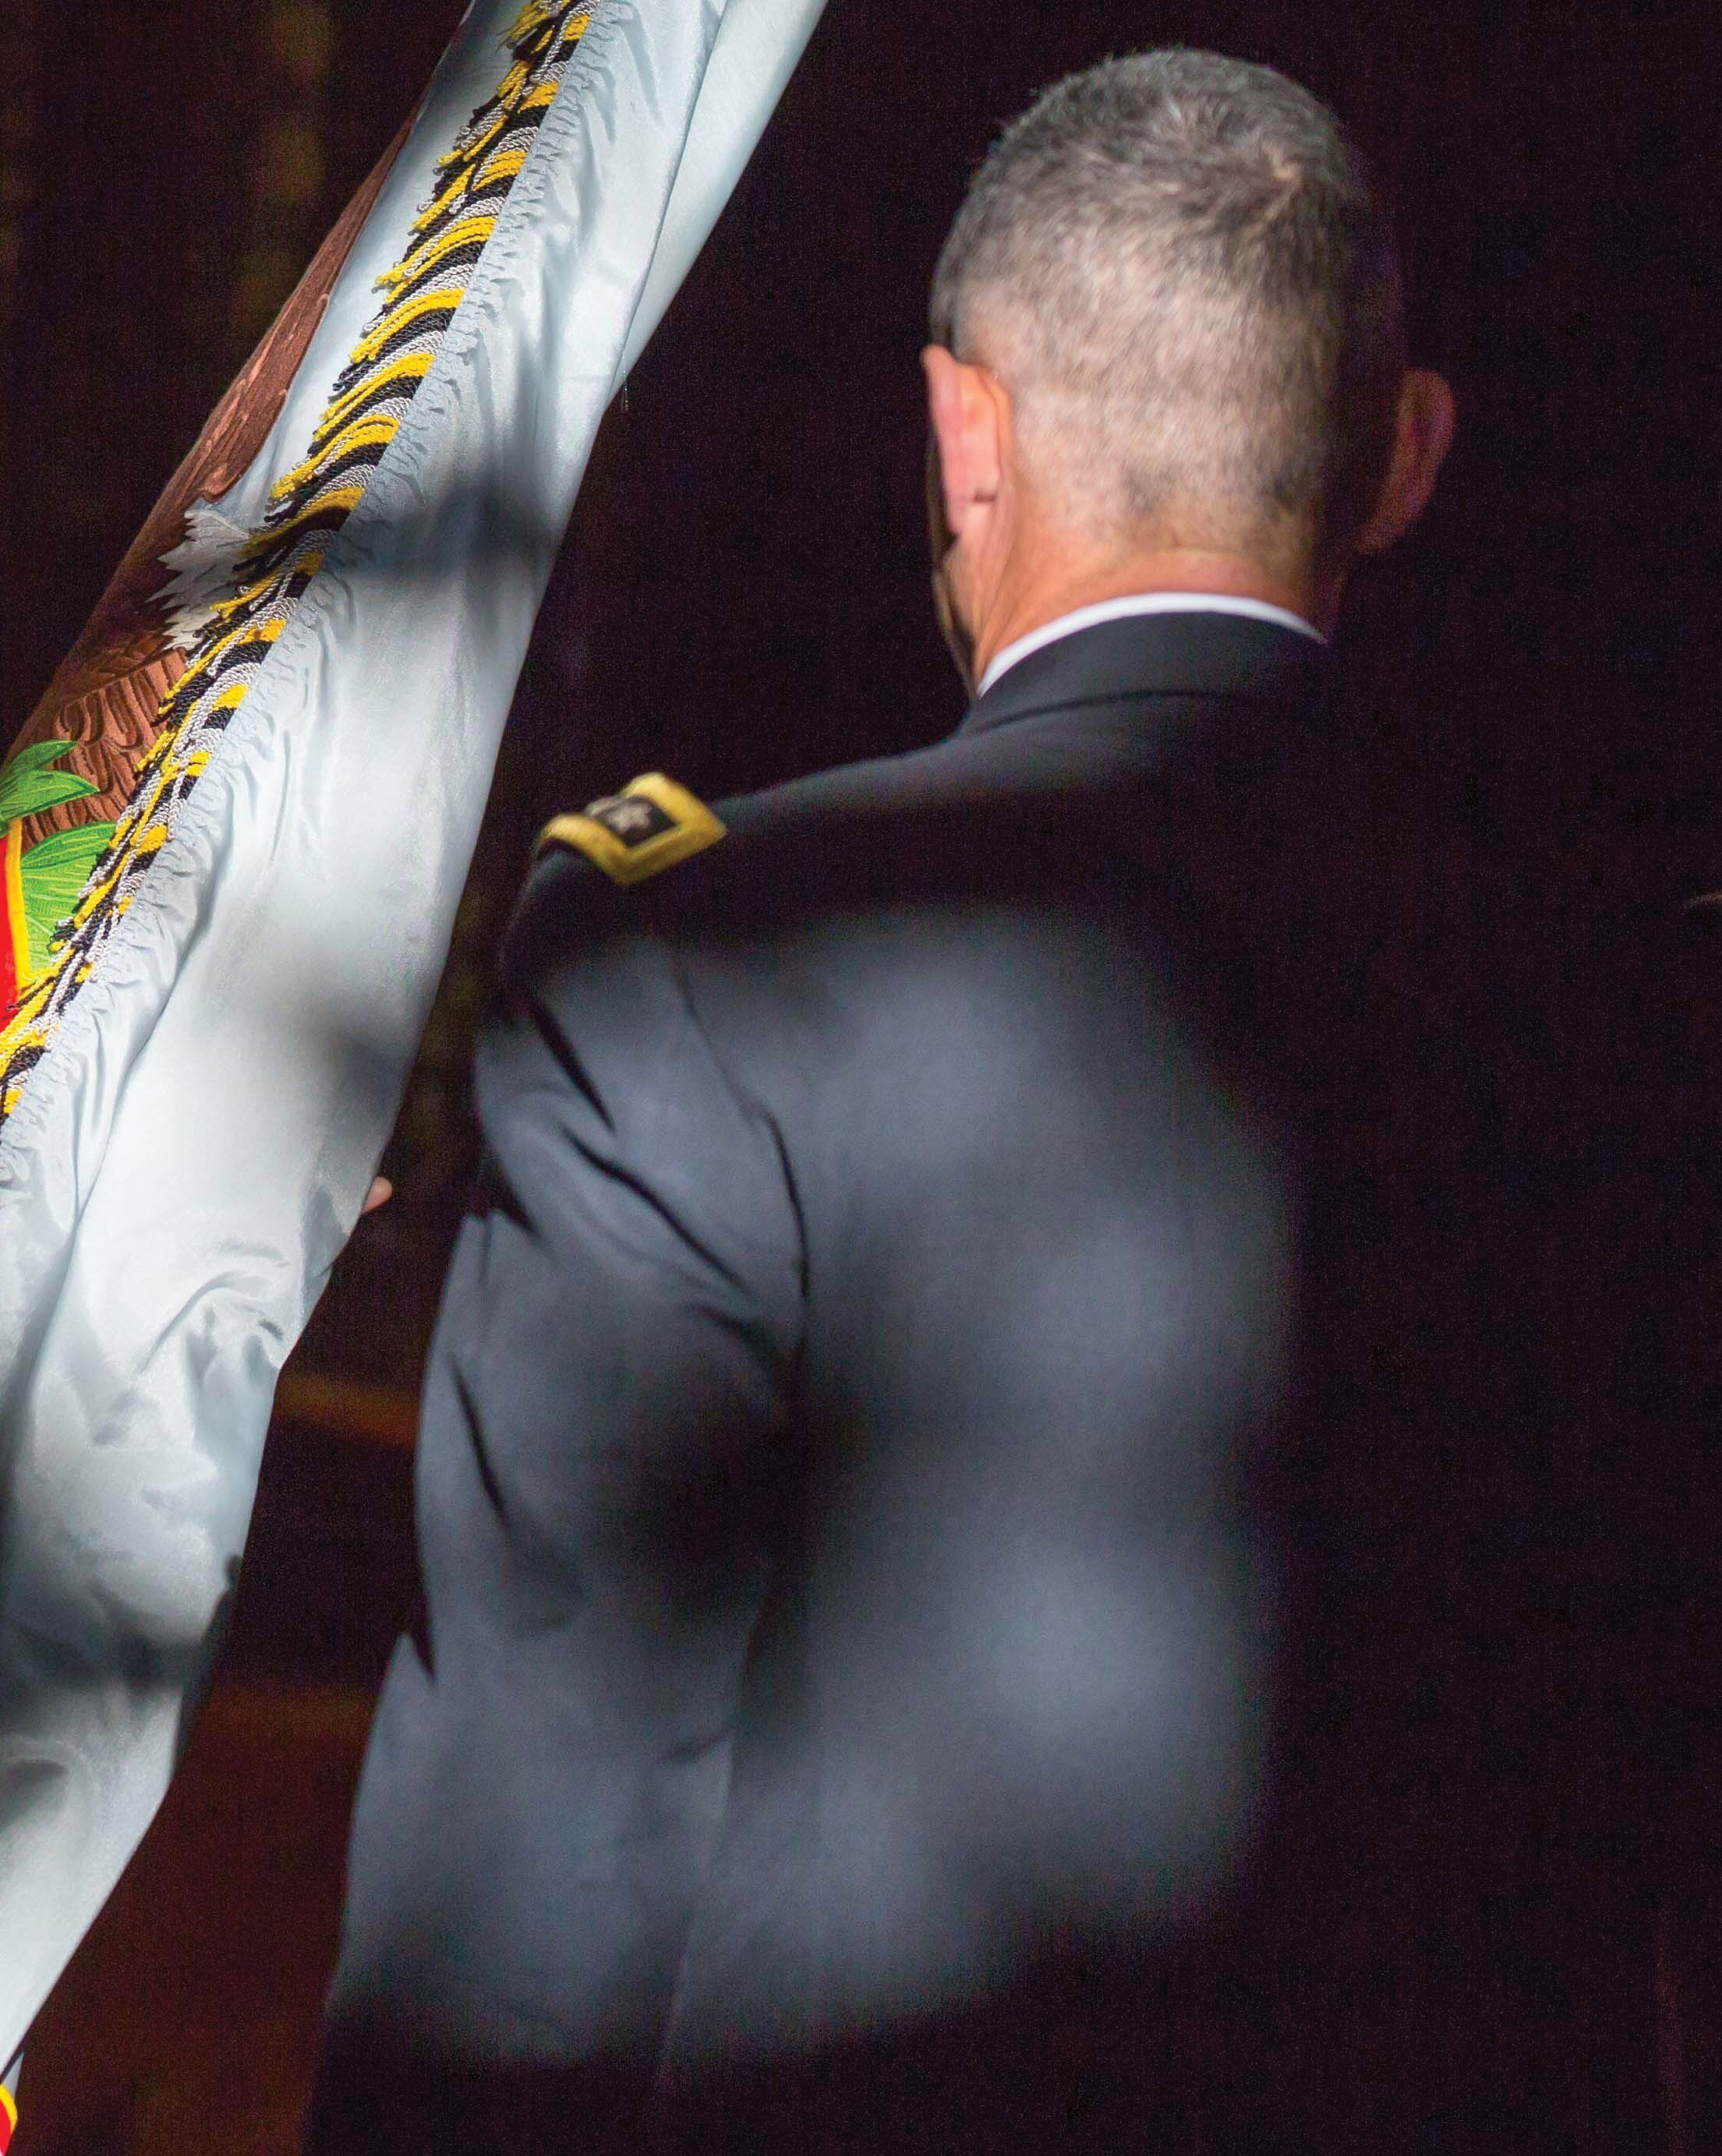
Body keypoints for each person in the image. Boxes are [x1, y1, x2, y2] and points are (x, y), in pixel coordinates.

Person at [299, 50, 1568, 2152]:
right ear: (1407, 453)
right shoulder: (1620, 988)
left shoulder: (710, 959)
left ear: (961, 435)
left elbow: (541, 1844)